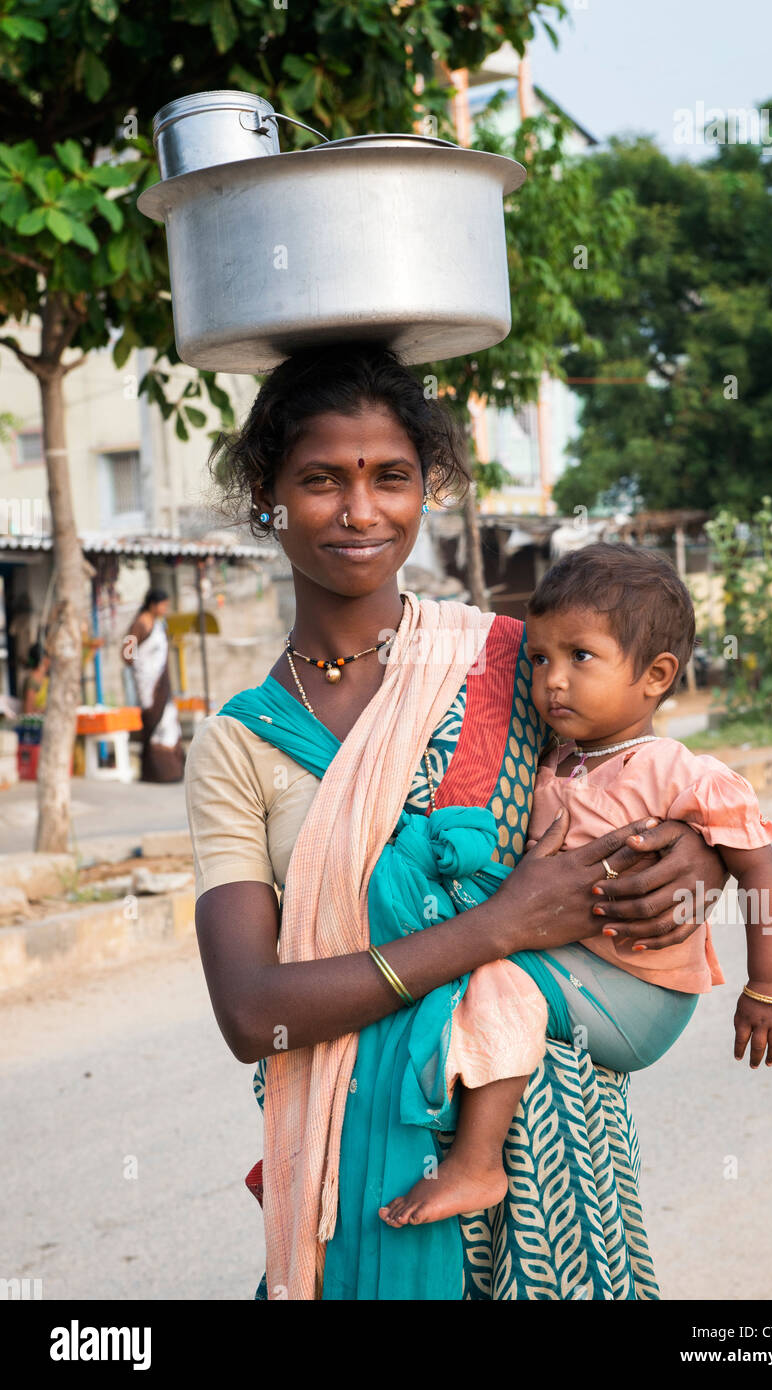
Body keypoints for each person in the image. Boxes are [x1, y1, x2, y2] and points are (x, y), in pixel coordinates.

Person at [184, 342, 727, 1302]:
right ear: (267, 498)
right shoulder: (238, 747)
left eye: (390, 477)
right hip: (351, 1155)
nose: (360, 511)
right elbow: (252, 1013)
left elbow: (658, 781)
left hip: (548, 1148)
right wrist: (495, 927)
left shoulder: (515, 662)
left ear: (424, 489)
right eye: (319, 480)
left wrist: (697, 860)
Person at [380, 543, 772, 1228]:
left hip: (640, 994)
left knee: (493, 977)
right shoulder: (554, 761)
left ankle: (477, 1165)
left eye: (580, 657)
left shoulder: (673, 770)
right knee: (468, 967)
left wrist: (769, 985)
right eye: (539, 659)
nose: (551, 681)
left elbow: (760, 867)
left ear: (656, 675)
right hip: (579, 971)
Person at [123, 587, 185, 782]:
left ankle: (171, 769)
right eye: (163, 605)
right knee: (158, 724)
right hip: (148, 684)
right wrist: (139, 667)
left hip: (161, 682)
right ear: (153, 604)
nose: (165, 608)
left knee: (169, 721)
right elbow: (127, 652)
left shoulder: (158, 624)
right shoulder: (140, 624)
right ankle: (157, 771)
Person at [22, 642, 50, 714]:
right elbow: (28, 711)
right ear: (43, 659)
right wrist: (46, 710)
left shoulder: (46, 678)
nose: (50, 660)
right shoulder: (32, 681)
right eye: (48, 657)